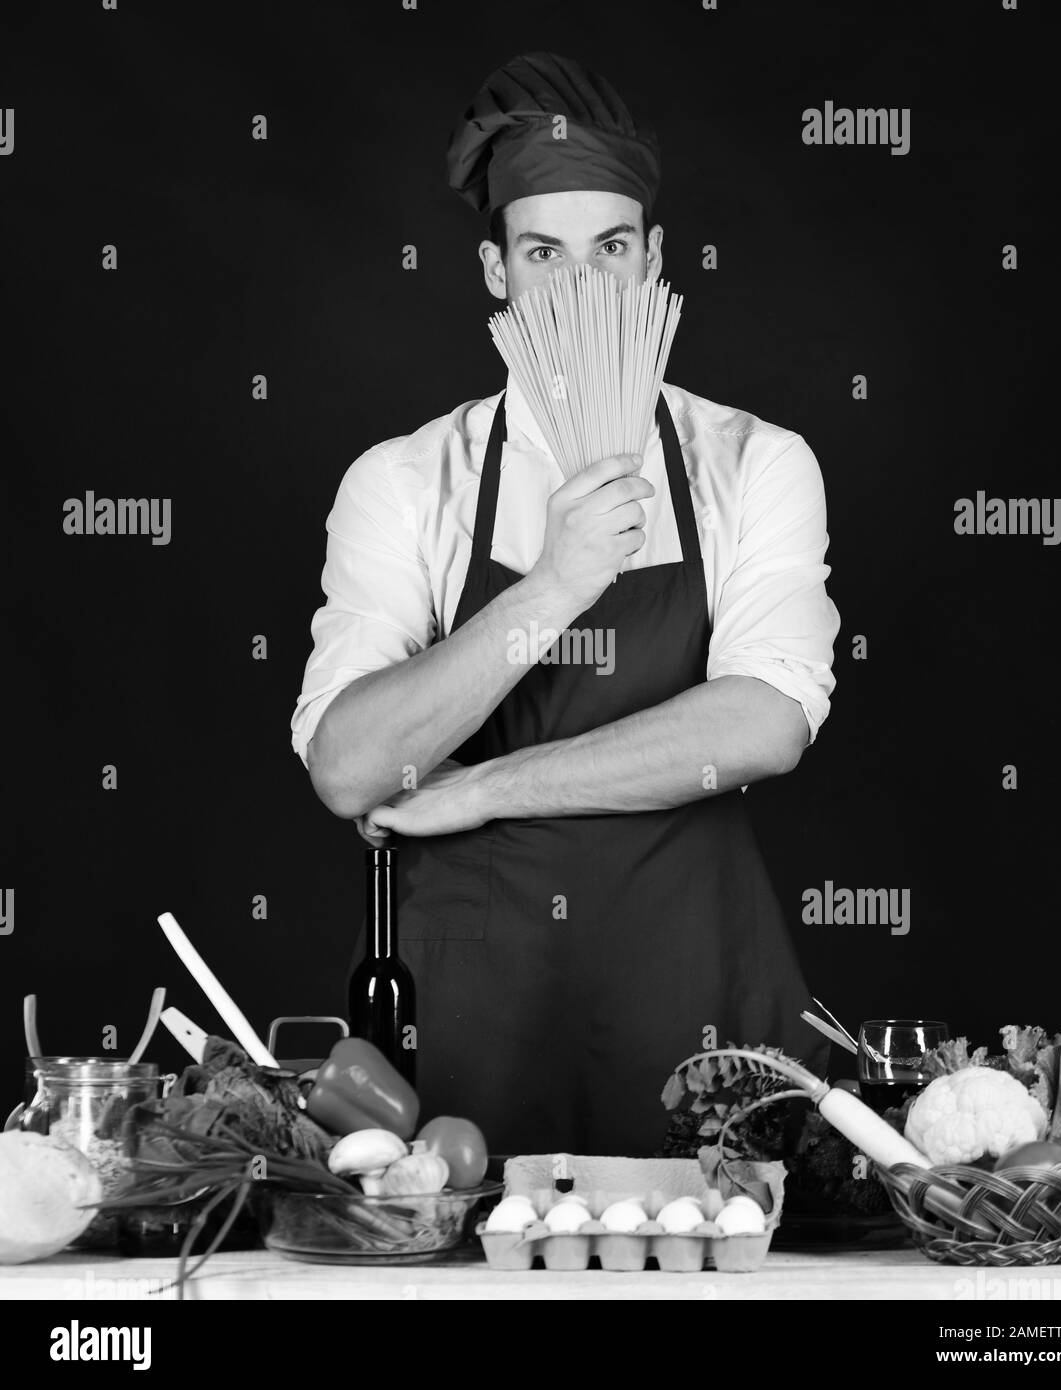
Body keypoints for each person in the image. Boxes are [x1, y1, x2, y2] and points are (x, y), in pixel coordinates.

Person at [292, 52, 840, 1156]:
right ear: (494, 270)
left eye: (612, 249)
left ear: (654, 265)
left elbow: (765, 722)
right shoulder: (404, 481)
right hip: (461, 1033)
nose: (583, 288)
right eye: (544, 252)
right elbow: (351, 765)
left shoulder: (755, 463)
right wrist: (555, 582)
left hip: (696, 1006)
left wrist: (484, 788)